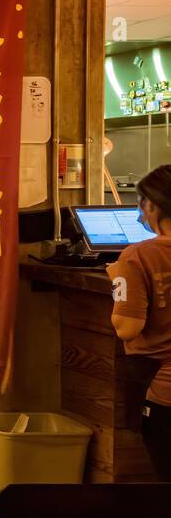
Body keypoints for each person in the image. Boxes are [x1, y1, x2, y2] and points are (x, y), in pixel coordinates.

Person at [109, 165, 171, 480]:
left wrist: (117, 278)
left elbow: (126, 327)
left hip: (164, 394)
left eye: (141, 204)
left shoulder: (136, 257)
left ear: (152, 205)